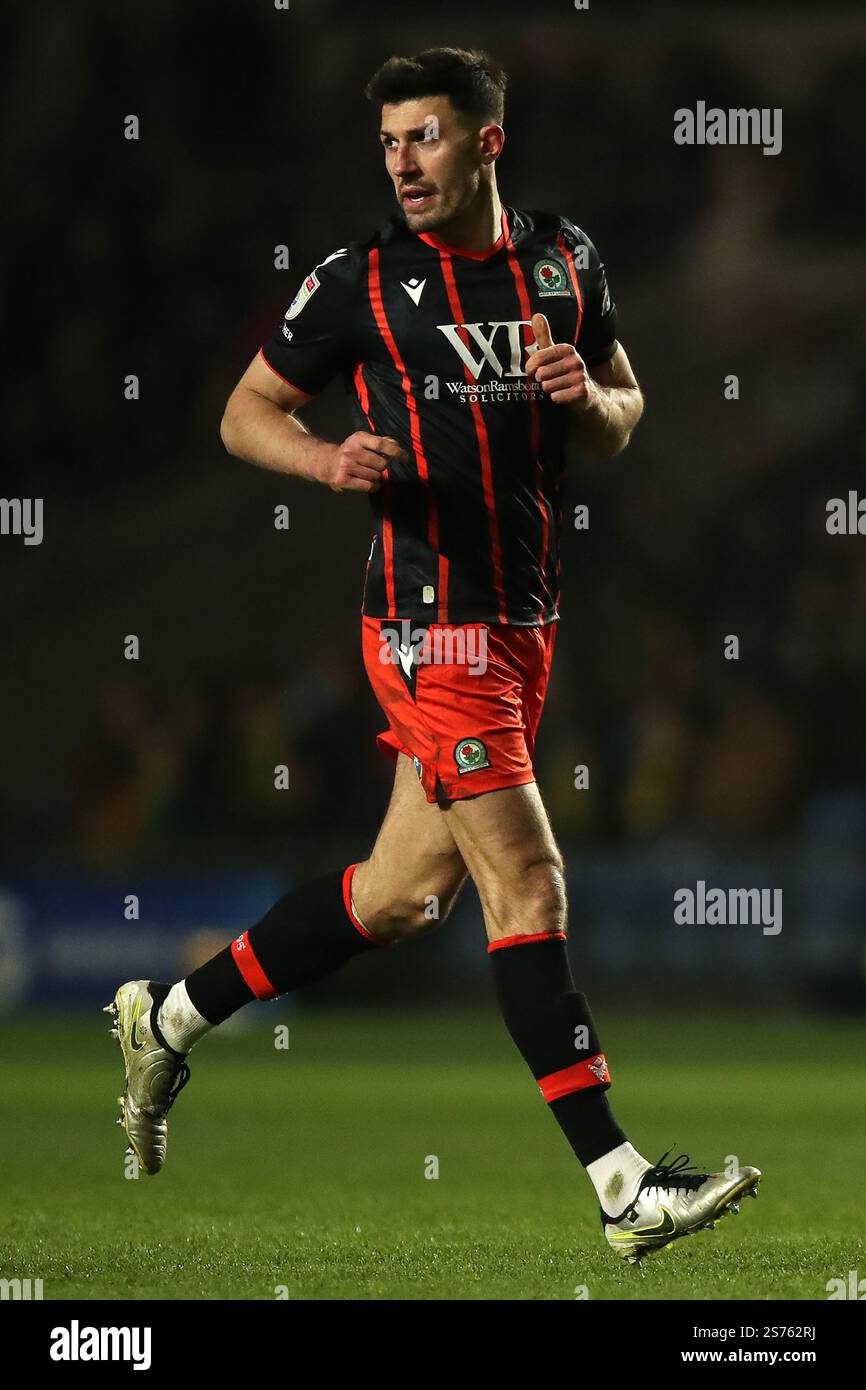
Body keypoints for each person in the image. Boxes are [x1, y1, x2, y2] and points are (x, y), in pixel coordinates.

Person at [107, 46, 759, 1265]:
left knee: (400, 893)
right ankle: (621, 1187)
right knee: (531, 885)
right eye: (390, 142)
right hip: (425, 628)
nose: (403, 162)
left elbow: (622, 415)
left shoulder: (565, 261)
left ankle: (171, 1012)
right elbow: (244, 410)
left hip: (525, 625)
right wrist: (323, 459)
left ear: (486, 143)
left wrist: (586, 403)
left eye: (426, 137)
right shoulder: (358, 282)